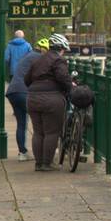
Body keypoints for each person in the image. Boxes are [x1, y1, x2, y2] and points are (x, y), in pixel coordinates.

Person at [25, 33, 72, 171]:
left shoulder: (37, 60)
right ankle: (46, 163)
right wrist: (70, 89)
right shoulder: (58, 60)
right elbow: (63, 78)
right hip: (52, 99)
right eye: (64, 50)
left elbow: (27, 80)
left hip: (32, 98)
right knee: (51, 132)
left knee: (38, 132)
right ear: (61, 48)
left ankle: (38, 163)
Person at [5, 37, 47, 162]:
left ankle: (22, 153)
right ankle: (43, 152)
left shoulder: (28, 56)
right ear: (44, 50)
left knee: (21, 124)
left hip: (13, 92)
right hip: (24, 92)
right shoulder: (39, 58)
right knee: (40, 121)